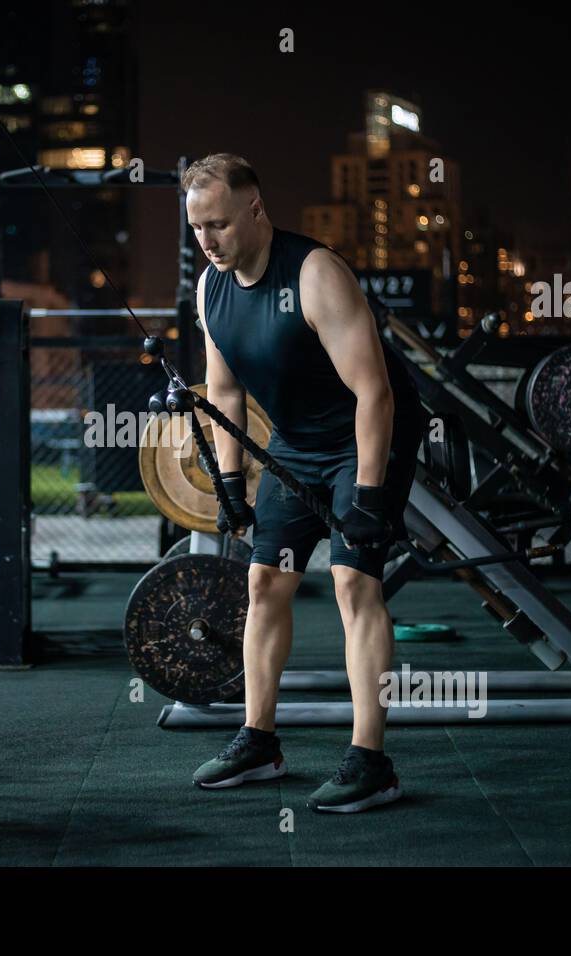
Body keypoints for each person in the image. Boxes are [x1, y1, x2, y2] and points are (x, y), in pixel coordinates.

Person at [185, 154, 425, 813]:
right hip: (295, 444)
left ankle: (371, 761)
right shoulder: (213, 287)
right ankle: (259, 741)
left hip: (364, 432)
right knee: (264, 583)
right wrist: (230, 486)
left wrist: (370, 497)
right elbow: (227, 392)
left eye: (220, 224)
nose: (208, 240)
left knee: (354, 583)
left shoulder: (316, 274)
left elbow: (374, 393)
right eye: (197, 227)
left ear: (256, 210)